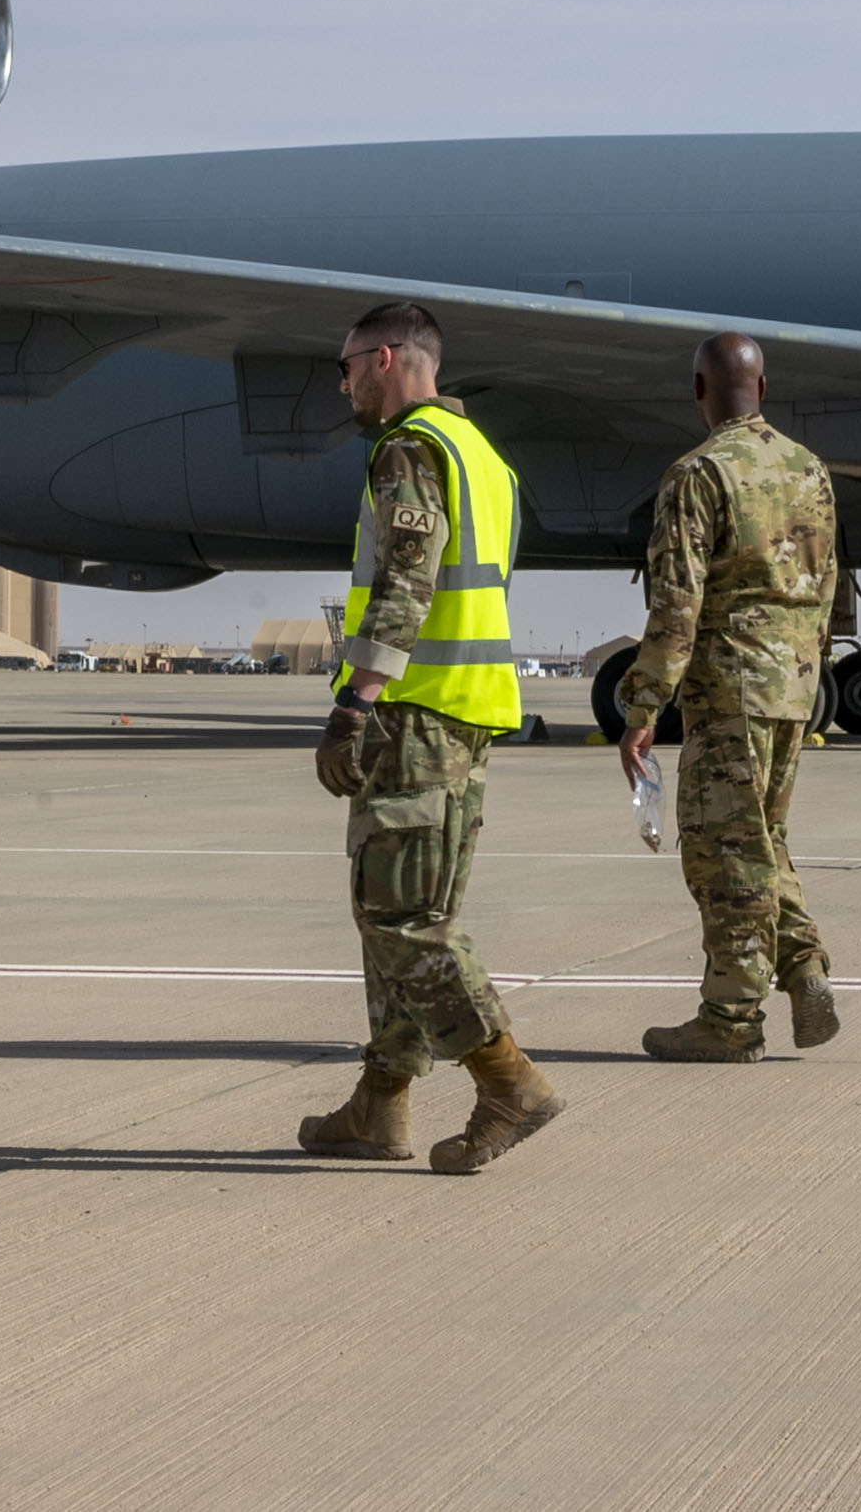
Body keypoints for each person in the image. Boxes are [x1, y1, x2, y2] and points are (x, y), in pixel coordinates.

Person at [298, 302, 562, 1174]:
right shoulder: (483, 454)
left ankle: (509, 1080)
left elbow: (408, 578)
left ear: (384, 358)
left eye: (344, 367)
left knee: (401, 917)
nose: (341, 385)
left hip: (415, 712)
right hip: (468, 708)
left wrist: (355, 701)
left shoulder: (409, 448)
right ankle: (381, 1103)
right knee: (399, 914)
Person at [618, 332, 841, 1064]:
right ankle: (803, 966)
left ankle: (731, 1016)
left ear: (698, 390)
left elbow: (676, 602)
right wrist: (807, 671)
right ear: (765, 387)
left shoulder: (698, 473)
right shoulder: (811, 470)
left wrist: (644, 705)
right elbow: (826, 584)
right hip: (793, 688)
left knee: (723, 854)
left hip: (731, 689)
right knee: (764, 839)